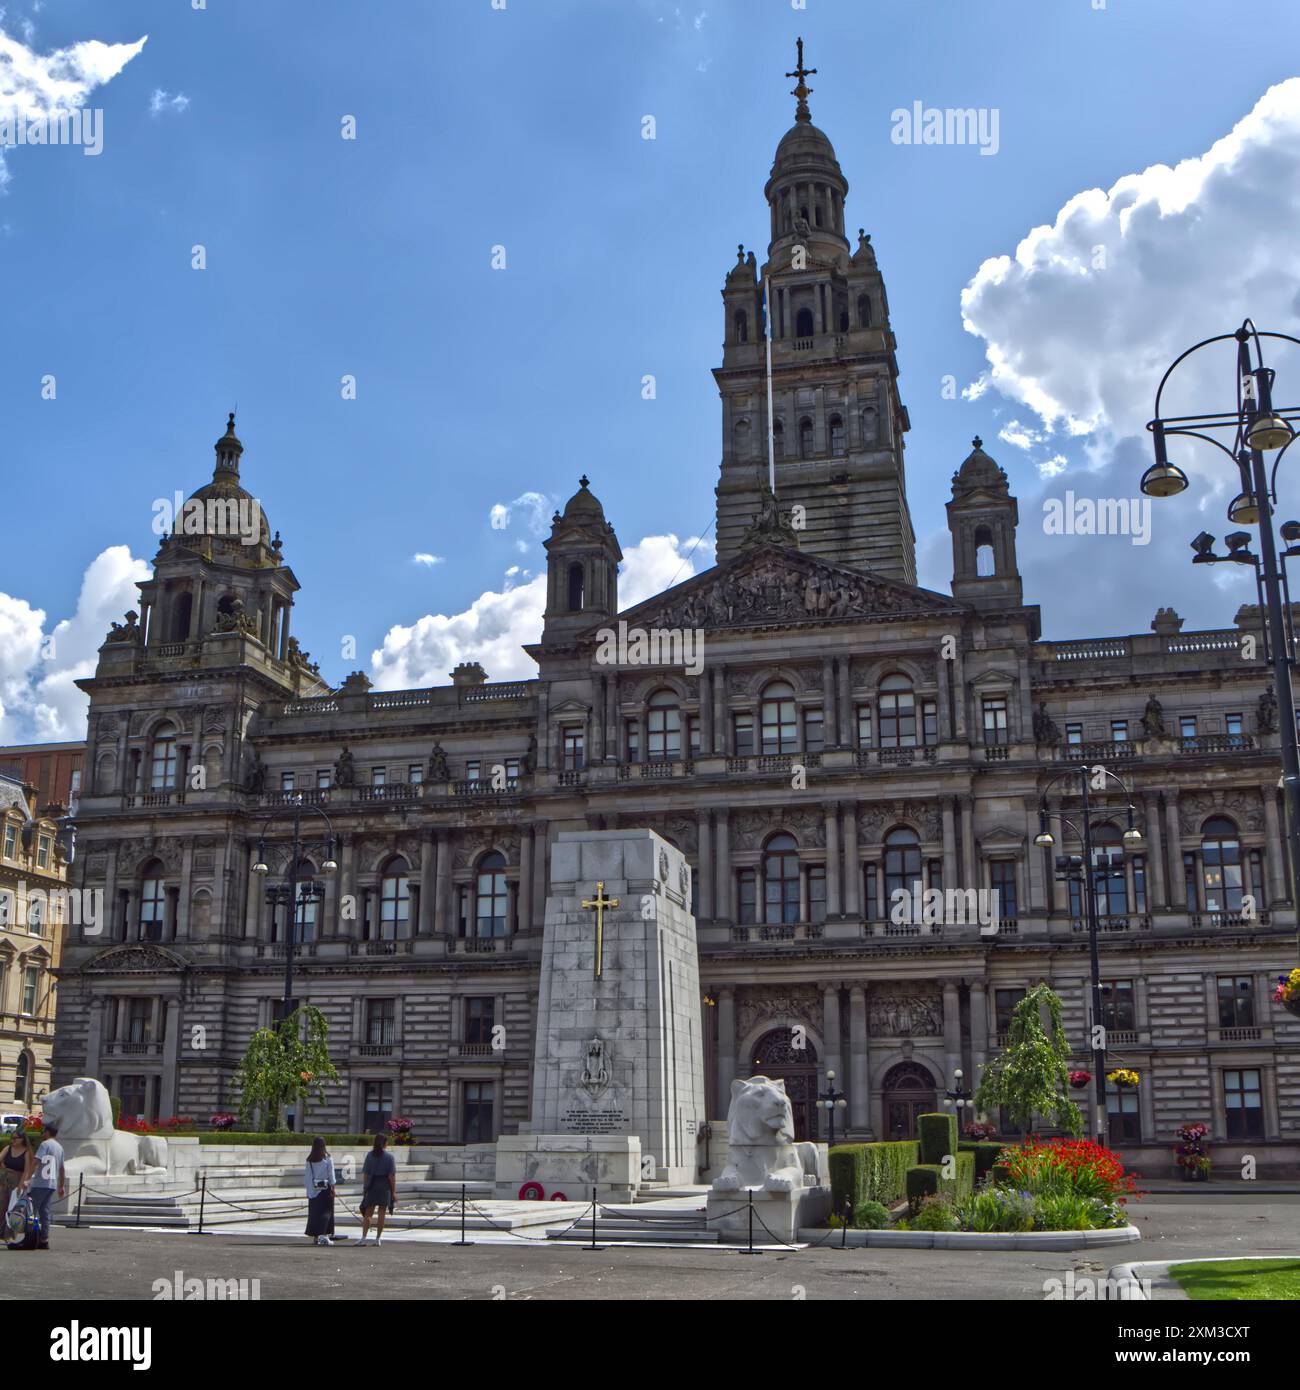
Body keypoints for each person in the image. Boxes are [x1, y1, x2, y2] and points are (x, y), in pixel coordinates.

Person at [26, 1121, 65, 1250]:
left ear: (47, 1132)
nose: (43, 1133)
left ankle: (30, 1238)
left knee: (31, 1211)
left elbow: (36, 1161)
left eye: (44, 1131)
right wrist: (61, 1185)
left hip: (40, 1182)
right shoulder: (59, 1147)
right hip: (51, 1183)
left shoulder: (44, 1144)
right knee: (45, 1212)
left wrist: (27, 1178)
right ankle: (44, 1239)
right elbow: (62, 1169)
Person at [358, 1132, 396, 1246]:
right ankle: (377, 1238)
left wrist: (365, 1187)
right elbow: (391, 1176)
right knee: (382, 1213)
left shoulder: (370, 1155)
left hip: (372, 1184)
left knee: (368, 1213)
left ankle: (364, 1237)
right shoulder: (389, 1157)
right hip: (384, 1186)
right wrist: (393, 1191)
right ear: (385, 1143)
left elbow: (365, 1174)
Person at [304, 1136, 336, 1247]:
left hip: (314, 1189)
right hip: (325, 1189)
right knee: (326, 1213)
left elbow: (307, 1177)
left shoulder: (310, 1160)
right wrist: (333, 1187)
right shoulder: (327, 1158)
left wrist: (309, 1191)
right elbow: (331, 1175)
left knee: (314, 1214)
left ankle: (316, 1236)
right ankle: (324, 1235)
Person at [0, 1125, 34, 1216]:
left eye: (15, 1138)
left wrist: (20, 1186)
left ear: (22, 1139)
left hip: (17, 1180)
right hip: (5, 1180)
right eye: (12, 1138)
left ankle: (9, 1230)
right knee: (2, 1205)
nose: (13, 1140)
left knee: (13, 1207)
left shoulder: (26, 1152)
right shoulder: (8, 1148)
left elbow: (27, 1170)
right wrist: (3, 1166)